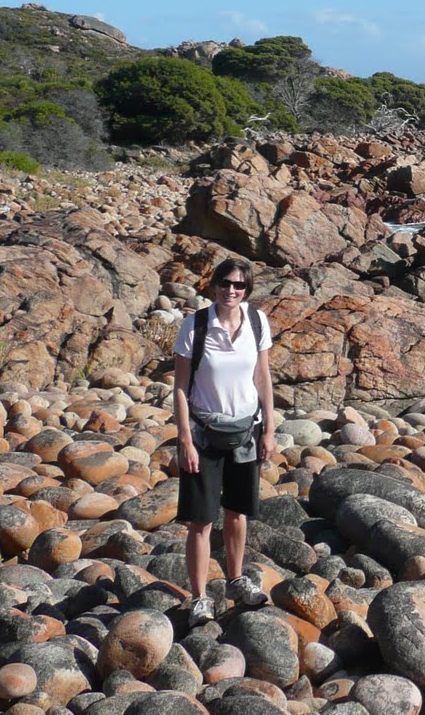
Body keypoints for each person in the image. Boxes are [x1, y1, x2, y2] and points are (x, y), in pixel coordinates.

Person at [172, 256, 277, 626]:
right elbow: (181, 388)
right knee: (201, 521)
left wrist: (270, 428)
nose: (231, 291)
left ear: (247, 289)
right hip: (203, 434)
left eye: (239, 285)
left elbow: (263, 376)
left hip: (246, 431)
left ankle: (235, 580)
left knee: (237, 513)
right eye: (225, 283)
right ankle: (200, 597)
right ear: (213, 285)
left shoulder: (257, 321)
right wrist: (184, 440)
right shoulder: (195, 325)